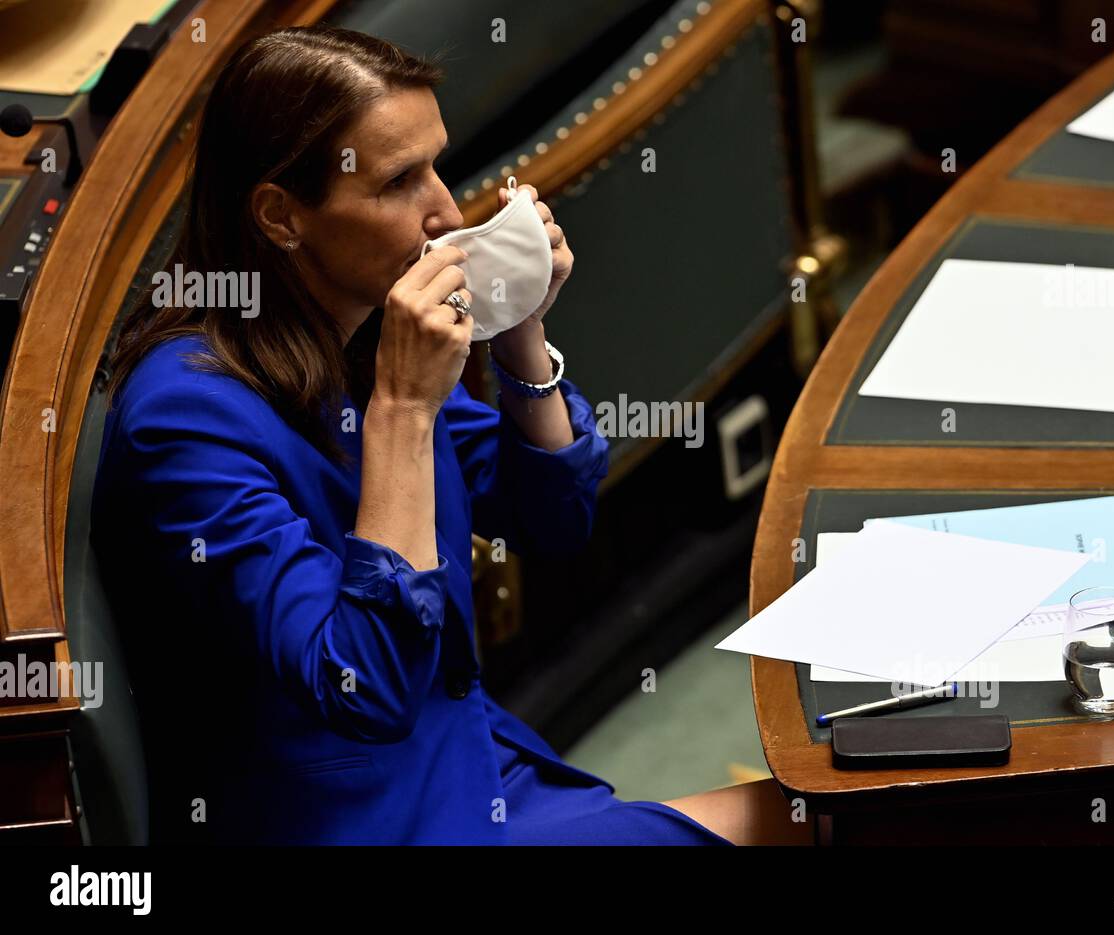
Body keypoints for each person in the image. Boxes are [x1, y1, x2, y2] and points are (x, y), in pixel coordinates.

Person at [92, 24, 812, 846]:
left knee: (822, 813)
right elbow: (366, 683)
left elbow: (552, 514)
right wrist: (402, 409)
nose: (445, 210)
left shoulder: (361, 324)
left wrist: (518, 329)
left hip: (467, 763)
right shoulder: (185, 421)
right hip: (353, 823)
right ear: (280, 217)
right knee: (806, 822)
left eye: (438, 163)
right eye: (399, 181)